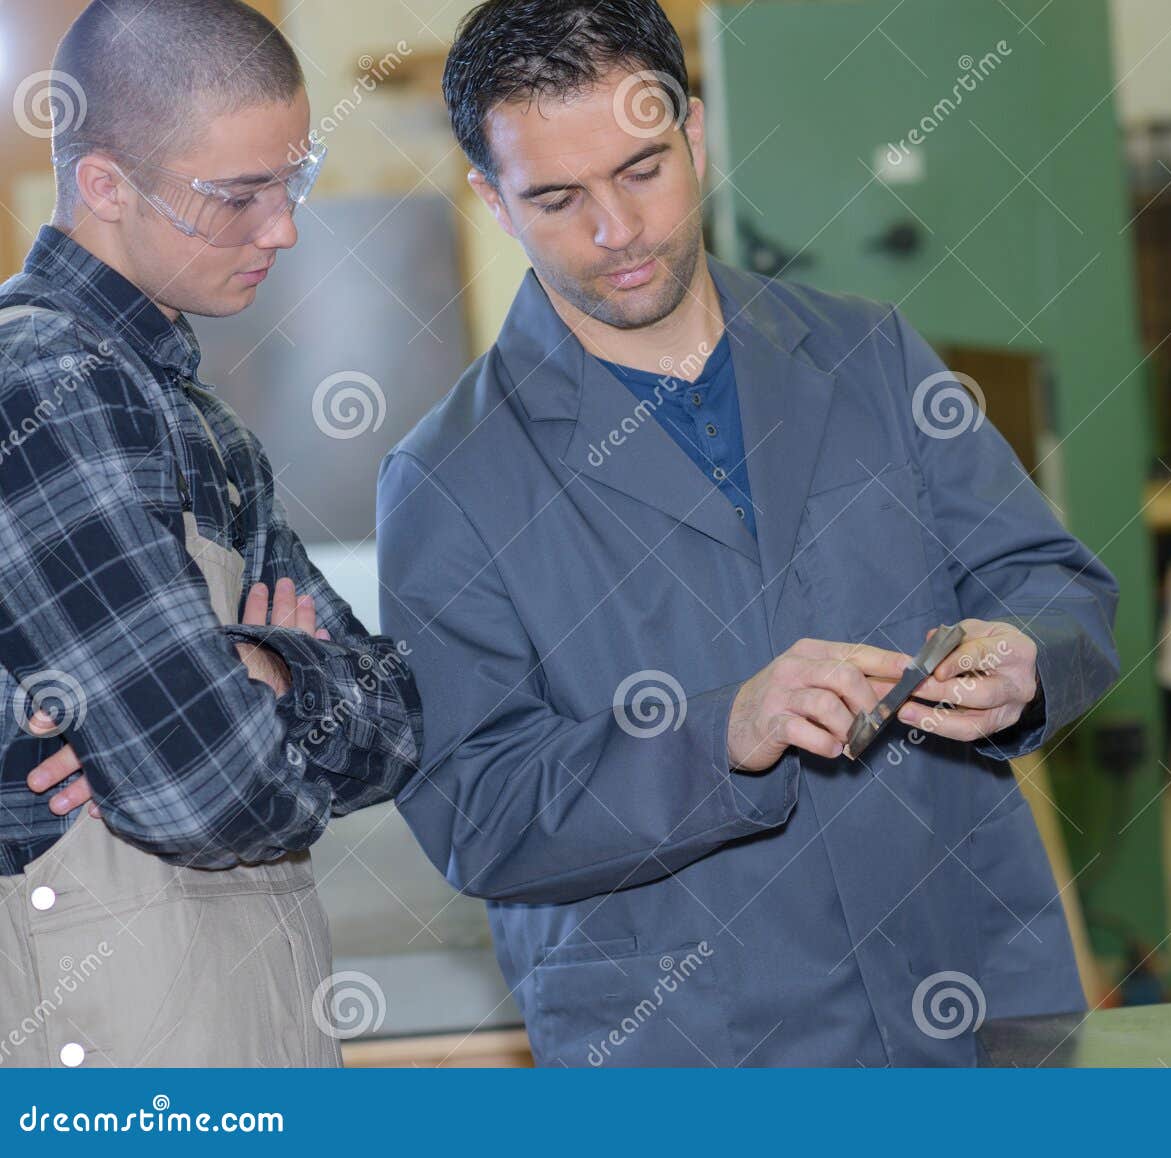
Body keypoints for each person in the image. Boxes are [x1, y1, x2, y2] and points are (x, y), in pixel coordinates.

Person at [378, 0, 1118, 1066]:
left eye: (642, 170)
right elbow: (477, 811)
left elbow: (1050, 579)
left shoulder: (870, 355)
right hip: (699, 1046)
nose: (617, 231)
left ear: (696, 135)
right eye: (557, 197)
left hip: (968, 990)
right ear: (492, 201)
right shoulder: (448, 481)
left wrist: (1026, 660)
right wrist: (719, 734)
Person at [0, 0, 423, 1068]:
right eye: (236, 197)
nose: (282, 229)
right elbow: (209, 793)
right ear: (102, 184)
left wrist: (265, 674)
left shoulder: (194, 415)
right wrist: (282, 681)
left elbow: (401, 720)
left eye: (293, 182)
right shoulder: (45, 388)